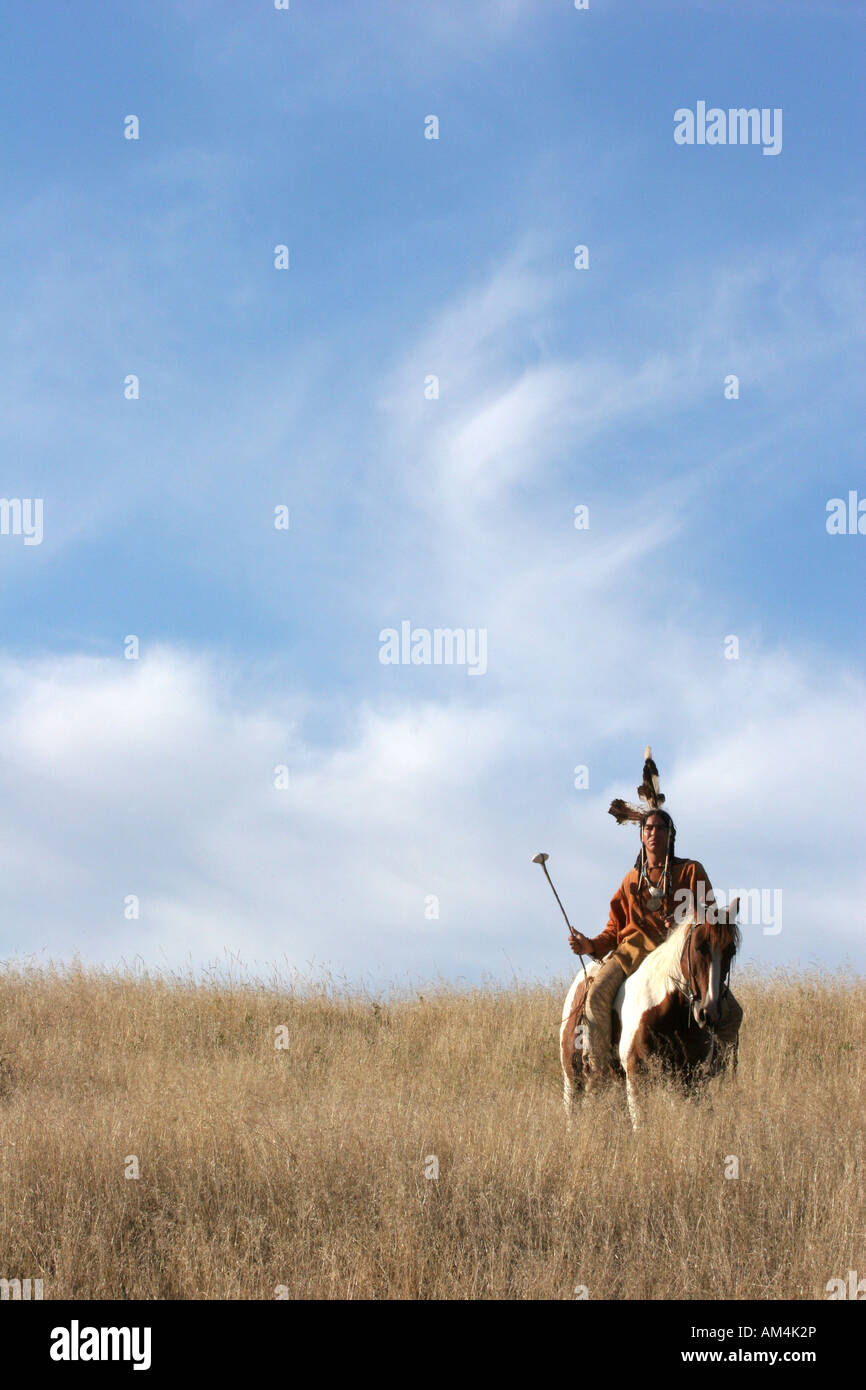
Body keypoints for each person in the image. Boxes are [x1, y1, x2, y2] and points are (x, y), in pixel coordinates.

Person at [569, 750, 743, 1092]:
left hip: (682, 955)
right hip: (633, 949)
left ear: (670, 834)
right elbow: (613, 930)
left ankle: (716, 1068)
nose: (653, 832)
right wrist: (590, 945)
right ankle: (599, 1071)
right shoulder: (630, 881)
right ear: (641, 834)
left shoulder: (691, 871)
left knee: (732, 1011)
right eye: (648, 827)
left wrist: (683, 920)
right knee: (597, 997)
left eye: (661, 827)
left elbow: (710, 920)